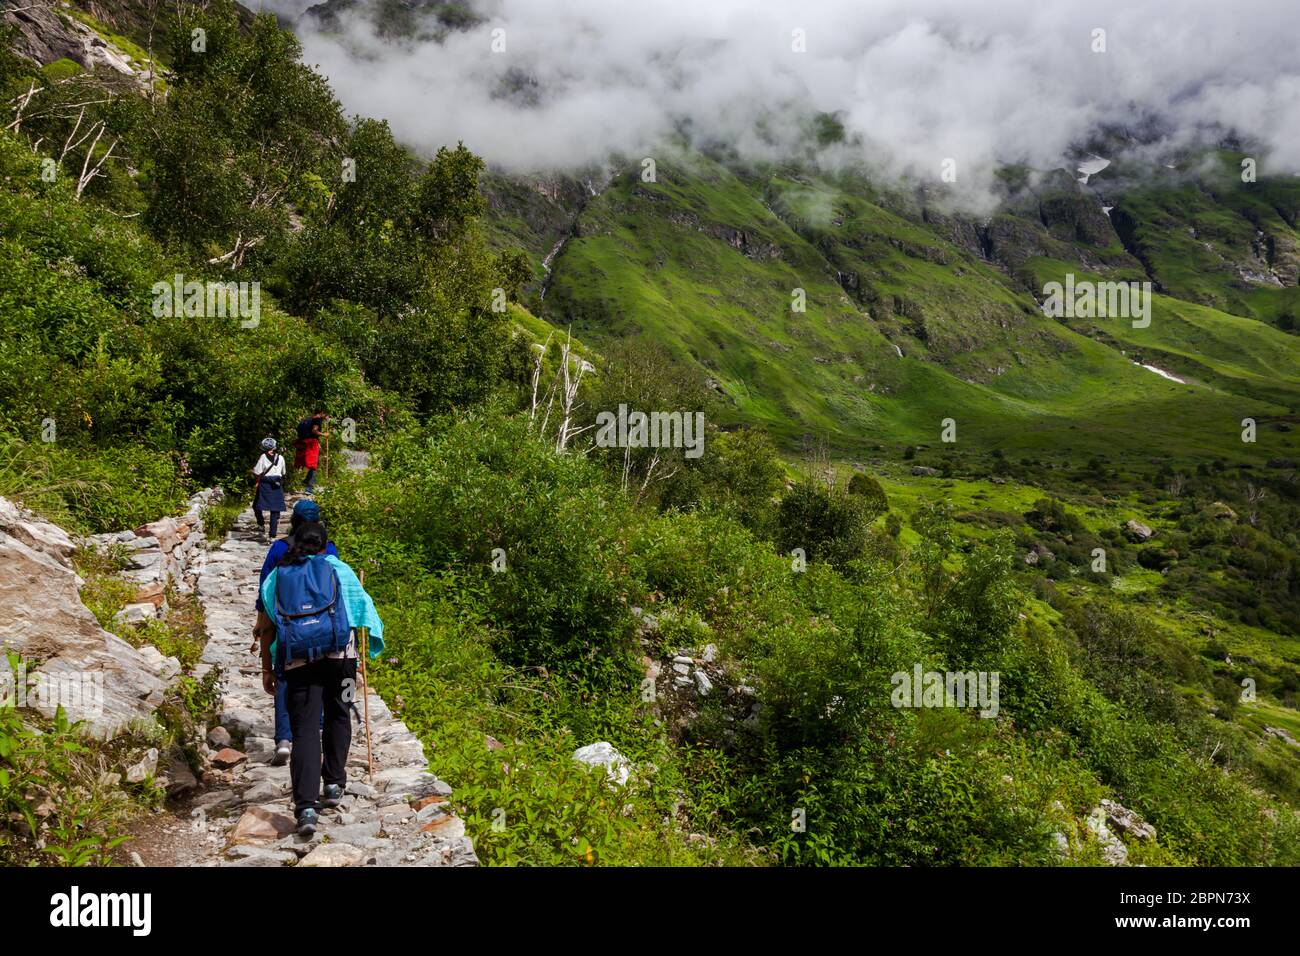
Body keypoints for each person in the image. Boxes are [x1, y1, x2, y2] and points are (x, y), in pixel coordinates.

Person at [255, 522, 383, 836]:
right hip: (343, 663)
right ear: (325, 546)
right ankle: (335, 784)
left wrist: (268, 668)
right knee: (340, 715)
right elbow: (366, 614)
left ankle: (307, 807)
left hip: (299, 663)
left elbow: (266, 626)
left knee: (304, 729)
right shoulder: (342, 571)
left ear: (294, 543)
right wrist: (368, 653)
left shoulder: (278, 577)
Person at [254, 499, 340, 766]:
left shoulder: (280, 548)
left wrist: (260, 626)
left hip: (288, 628)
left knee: (285, 679)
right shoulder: (330, 550)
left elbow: (265, 591)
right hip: (324, 629)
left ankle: (284, 738)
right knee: (323, 679)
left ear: (293, 521)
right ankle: (320, 727)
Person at [251, 437, 286, 542]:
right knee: (274, 510)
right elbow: (283, 473)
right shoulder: (281, 458)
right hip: (277, 484)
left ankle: (261, 525)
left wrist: (257, 481)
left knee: (256, 505)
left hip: (265, 484)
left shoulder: (263, 457)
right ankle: (272, 536)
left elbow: (257, 472)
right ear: (274, 447)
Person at [293, 409, 329, 495]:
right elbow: (314, 431)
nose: (327, 417)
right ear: (321, 413)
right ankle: (309, 487)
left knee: (303, 463)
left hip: (301, 443)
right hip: (310, 444)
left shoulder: (306, 420)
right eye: (326, 415)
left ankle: (303, 481)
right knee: (313, 465)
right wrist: (324, 434)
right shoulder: (317, 419)